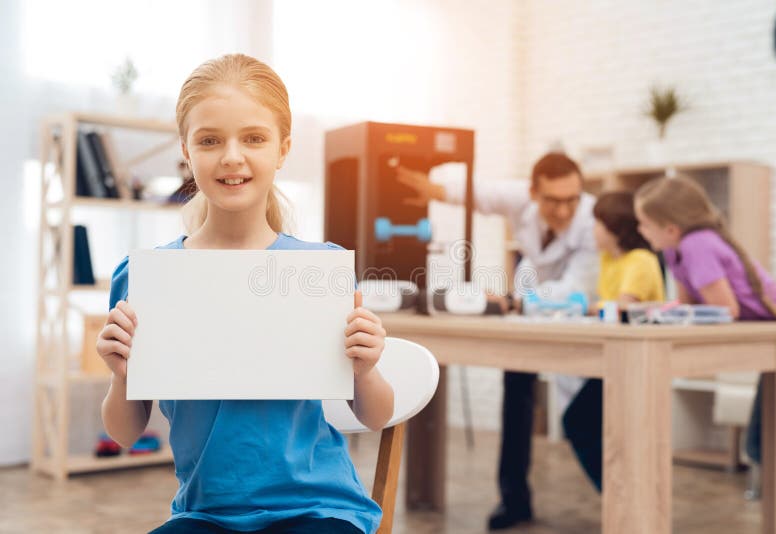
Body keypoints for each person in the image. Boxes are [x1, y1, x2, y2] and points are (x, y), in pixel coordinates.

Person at [97, 54, 393, 534]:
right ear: (187, 152)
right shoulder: (146, 278)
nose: (231, 156)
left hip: (318, 510)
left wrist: (367, 367)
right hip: (205, 514)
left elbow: (375, 415)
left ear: (282, 149)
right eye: (210, 140)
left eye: (253, 138)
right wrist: (119, 375)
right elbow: (125, 432)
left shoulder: (319, 272)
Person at [396, 152, 597, 530]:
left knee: (581, 420)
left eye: (572, 199)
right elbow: (479, 192)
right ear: (533, 192)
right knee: (516, 394)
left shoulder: (591, 219)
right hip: (529, 306)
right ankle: (514, 499)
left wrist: (512, 301)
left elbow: (578, 288)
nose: (564, 210)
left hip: (575, 317)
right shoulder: (520, 198)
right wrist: (433, 189)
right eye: (553, 200)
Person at [634, 175, 776, 469]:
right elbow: (689, 305)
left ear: (670, 228)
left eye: (645, 224)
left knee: (767, 441)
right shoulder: (675, 251)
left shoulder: (698, 245)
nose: (640, 230)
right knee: (763, 442)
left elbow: (725, 310)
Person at [562, 190, 665, 491]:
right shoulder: (608, 259)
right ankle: (615, 493)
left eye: (597, 224)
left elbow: (621, 308)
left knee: (578, 421)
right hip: (614, 358)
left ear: (616, 229)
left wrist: (590, 307)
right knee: (583, 423)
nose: (592, 231)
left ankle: (618, 493)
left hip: (638, 361)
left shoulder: (641, 261)